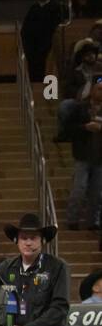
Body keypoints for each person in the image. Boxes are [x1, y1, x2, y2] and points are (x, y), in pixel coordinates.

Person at [0, 213, 69, 326]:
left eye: (33, 238)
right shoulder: (5, 268)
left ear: (43, 240)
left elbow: (59, 308)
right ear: (16, 240)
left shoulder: (58, 267)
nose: (28, 243)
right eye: (24, 238)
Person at [63, 81, 102, 234]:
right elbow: (68, 129)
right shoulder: (80, 108)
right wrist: (85, 127)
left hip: (100, 157)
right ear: (92, 91)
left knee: (97, 193)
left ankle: (93, 221)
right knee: (79, 189)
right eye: (99, 89)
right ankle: (72, 219)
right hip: (83, 155)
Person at [22, 0, 61, 84]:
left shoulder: (54, 7)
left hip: (46, 41)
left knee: (44, 63)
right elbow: (26, 25)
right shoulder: (34, 7)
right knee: (32, 64)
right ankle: (33, 82)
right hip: (32, 43)